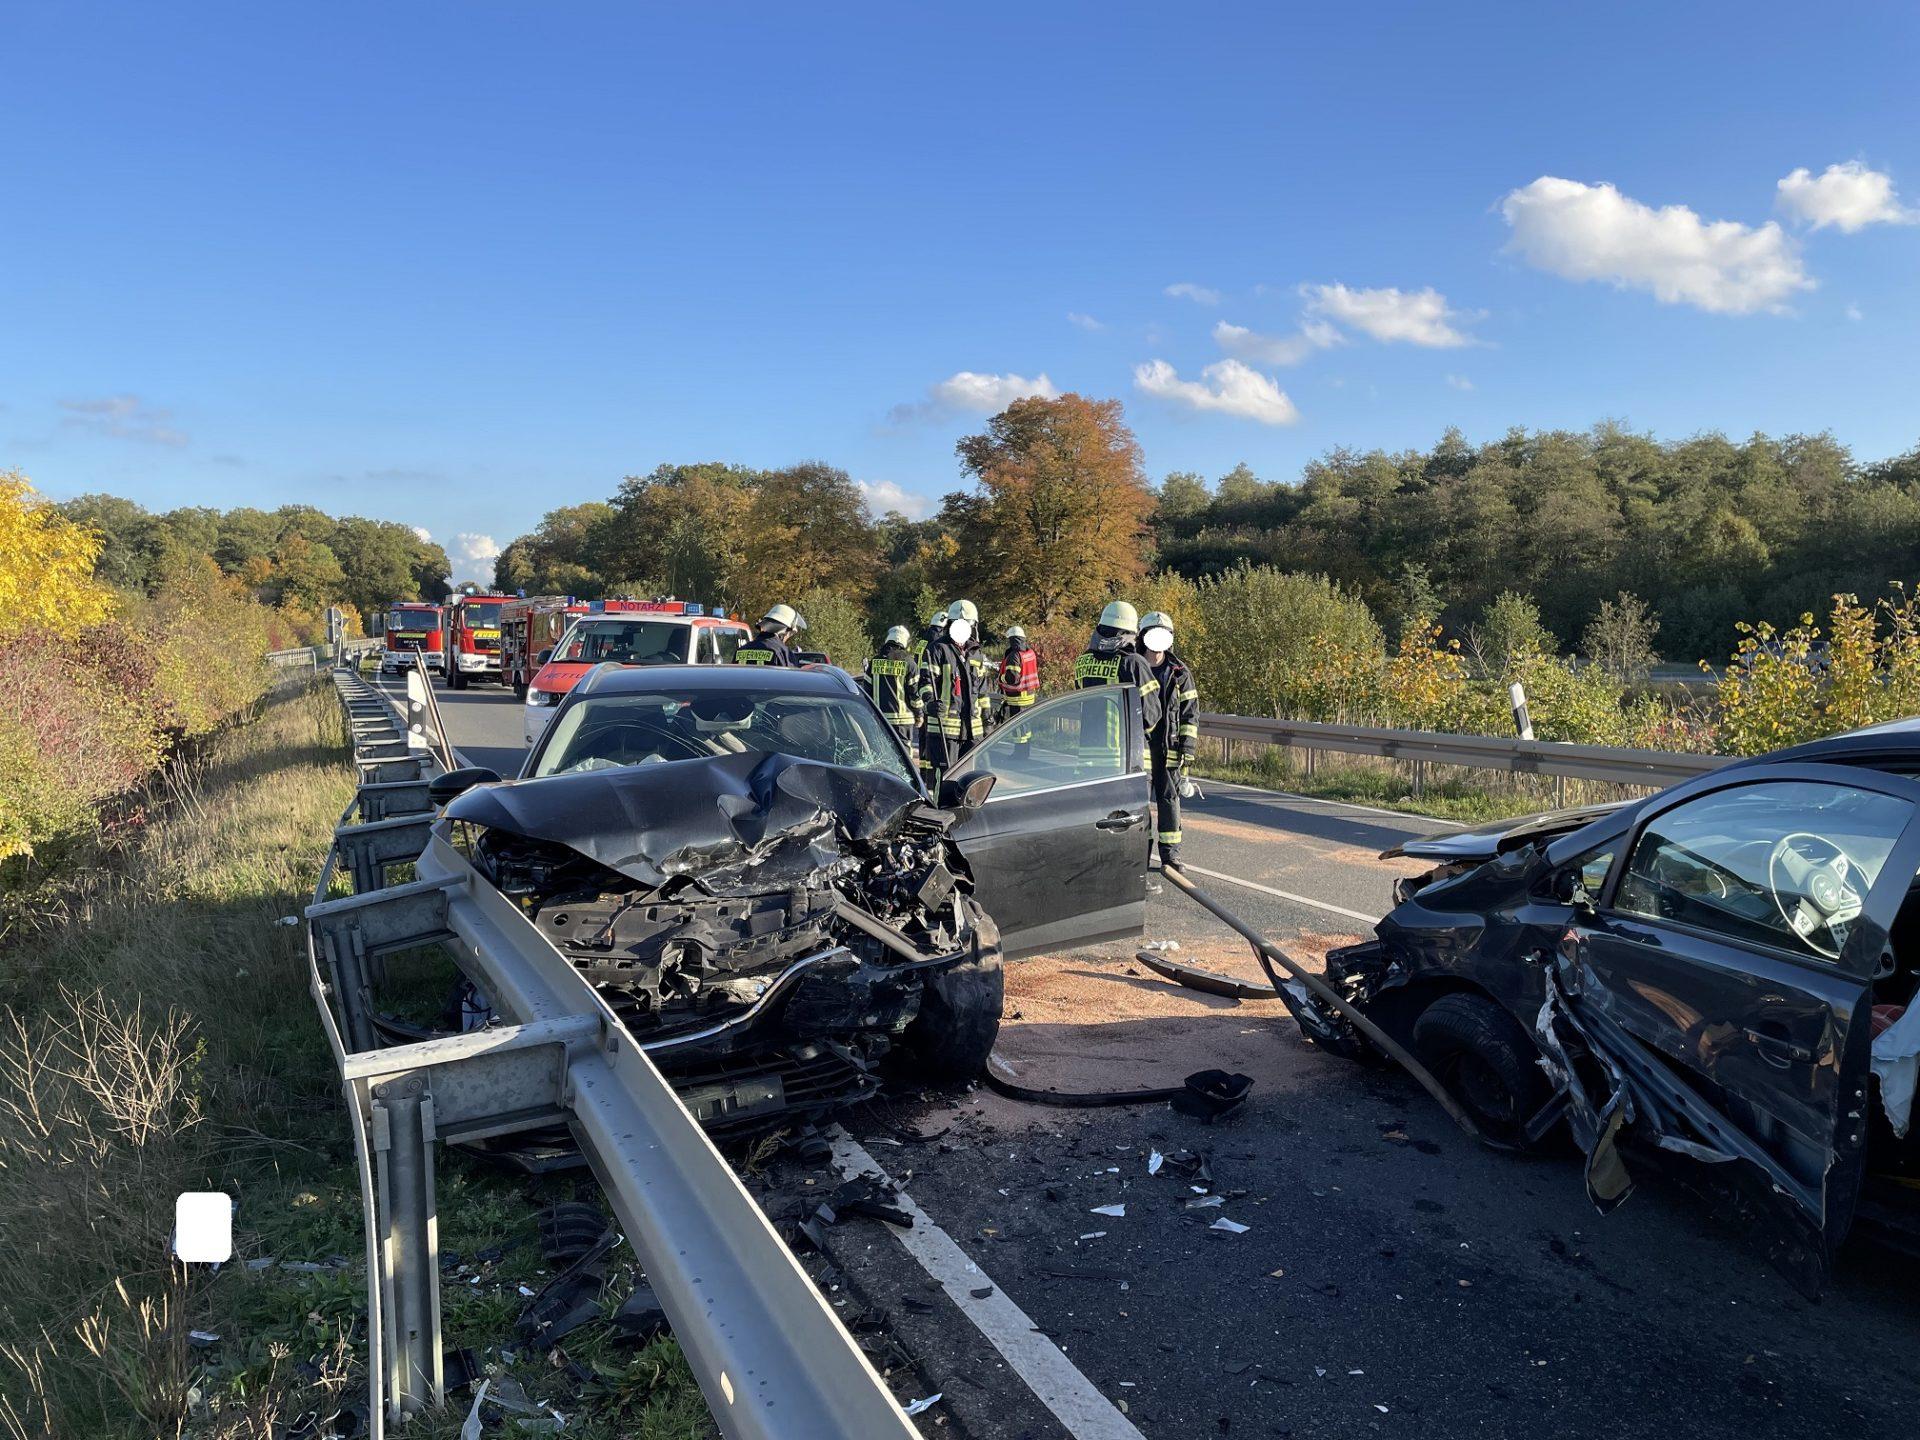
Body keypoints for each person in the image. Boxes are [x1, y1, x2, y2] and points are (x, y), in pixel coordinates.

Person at [1072, 600, 1163, 770]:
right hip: (1125, 761)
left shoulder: (1082, 661)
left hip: (1087, 760)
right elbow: (1151, 715)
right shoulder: (1133, 663)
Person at [1139, 611, 1199, 868]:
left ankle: (1170, 856)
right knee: (1139, 805)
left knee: (1169, 801)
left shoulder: (1179, 672)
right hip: (1139, 747)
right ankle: (1139, 855)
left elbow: (1191, 712)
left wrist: (1187, 745)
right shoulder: (1133, 666)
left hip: (1168, 747)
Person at [917, 600, 988, 788]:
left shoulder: (976, 653)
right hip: (945, 730)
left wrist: (987, 717)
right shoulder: (936, 650)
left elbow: (982, 690)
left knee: (969, 781)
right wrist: (930, 702)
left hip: (972, 731)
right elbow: (924, 682)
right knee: (945, 781)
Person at [864, 624, 921, 755]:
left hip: (880, 719)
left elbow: (867, 692)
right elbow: (914, 694)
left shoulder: (874, 662)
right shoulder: (909, 663)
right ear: (903, 642)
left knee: (881, 754)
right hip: (903, 721)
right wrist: (919, 714)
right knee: (904, 755)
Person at [735, 604, 802, 666]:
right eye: (790, 635)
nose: (788, 637)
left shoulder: (740, 651)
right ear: (784, 632)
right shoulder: (783, 653)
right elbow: (791, 677)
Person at [999, 624, 1039, 722]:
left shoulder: (1015, 656)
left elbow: (1013, 678)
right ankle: (1027, 738)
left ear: (1013, 640)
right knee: (1025, 726)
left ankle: (1019, 738)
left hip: (1017, 698)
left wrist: (1001, 678)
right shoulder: (1030, 652)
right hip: (1029, 696)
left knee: (1018, 729)